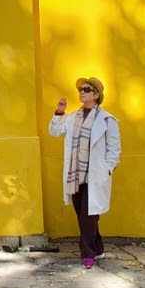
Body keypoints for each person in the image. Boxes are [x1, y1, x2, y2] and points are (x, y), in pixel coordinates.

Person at [48, 77, 121, 269]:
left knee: (89, 214)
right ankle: (98, 247)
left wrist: (108, 168)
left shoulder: (107, 120)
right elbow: (55, 132)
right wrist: (59, 112)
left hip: (95, 174)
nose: (82, 92)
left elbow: (114, 148)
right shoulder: (72, 118)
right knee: (83, 213)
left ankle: (87, 254)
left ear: (96, 95)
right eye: (81, 89)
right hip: (75, 174)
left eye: (87, 89)